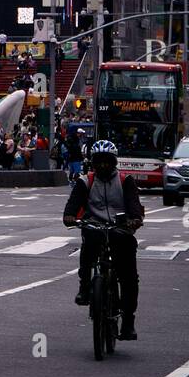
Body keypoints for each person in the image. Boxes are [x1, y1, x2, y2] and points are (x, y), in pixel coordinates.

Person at [63, 139, 142, 339]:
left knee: (129, 277)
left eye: (107, 161)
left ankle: (128, 321)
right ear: (93, 162)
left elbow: (134, 205)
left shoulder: (126, 181)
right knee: (87, 248)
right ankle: (84, 286)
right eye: (99, 161)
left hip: (120, 230)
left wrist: (134, 220)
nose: (103, 165)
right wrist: (70, 217)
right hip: (94, 228)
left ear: (114, 162)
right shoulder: (85, 181)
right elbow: (72, 206)